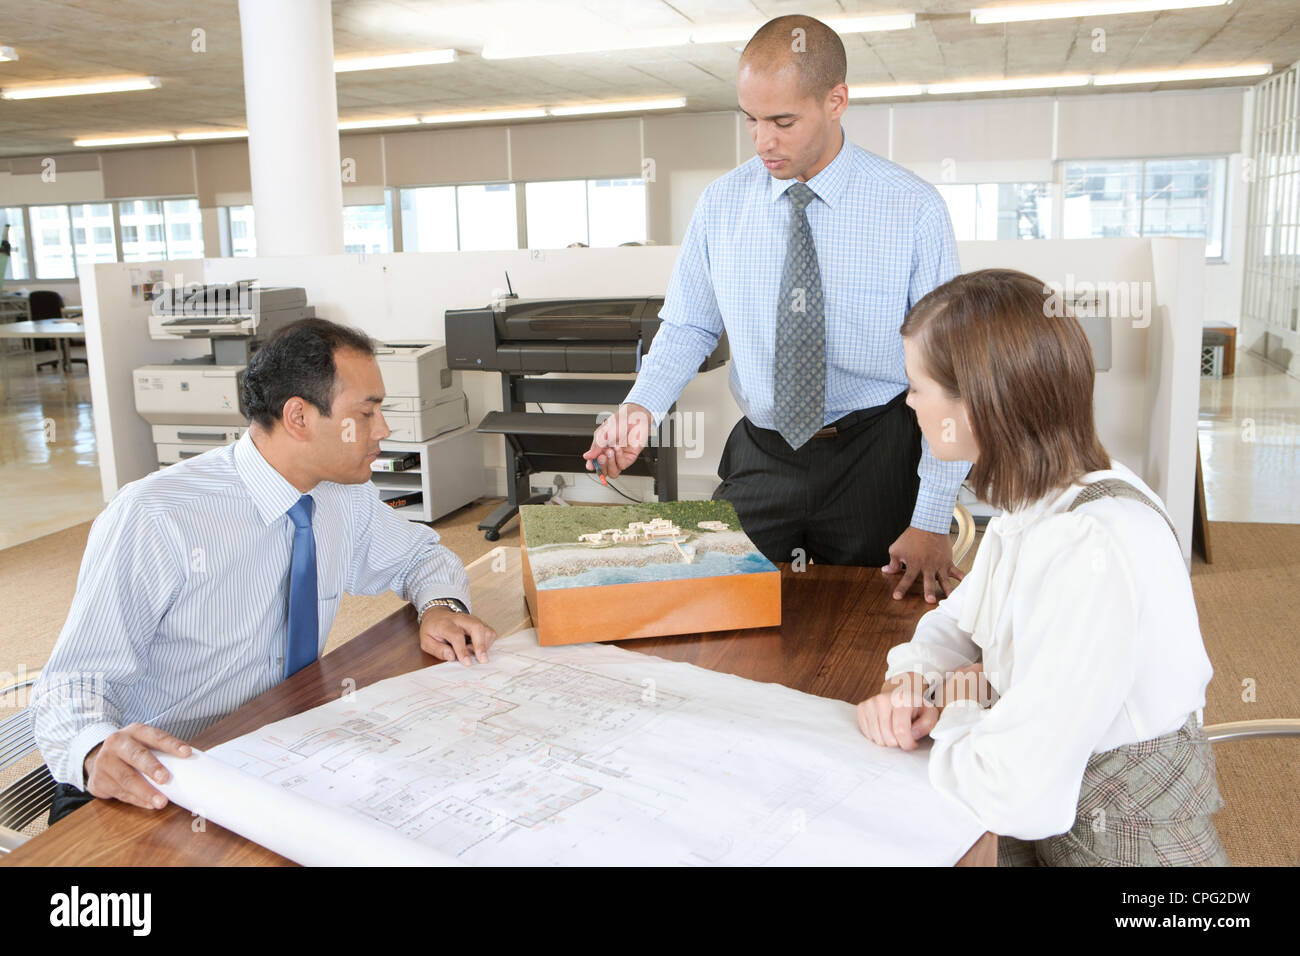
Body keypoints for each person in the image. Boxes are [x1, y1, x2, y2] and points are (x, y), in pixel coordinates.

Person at [31, 318, 497, 823]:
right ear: (298, 416)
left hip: (269, 753)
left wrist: (441, 607)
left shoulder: (341, 495)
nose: (383, 430)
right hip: (154, 779)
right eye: (366, 413)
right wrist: (92, 750)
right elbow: (72, 681)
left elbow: (422, 555)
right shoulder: (156, 516)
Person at [583, 14, 971, 603]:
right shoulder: (721, 205)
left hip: (877, 452)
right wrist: (640, 409)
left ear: (836, 101)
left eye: (783, 121)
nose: (764, 140)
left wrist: (932, 515)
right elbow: (689, 323)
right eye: (752, 120)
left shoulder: (912, 208)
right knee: (712, 608)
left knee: (873, 624)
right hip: (765, 452)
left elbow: (951, 371)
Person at [856, 268, 1229, 866]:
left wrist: (952, 708)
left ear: (975, 403)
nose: (909, 403)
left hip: (1126, 847)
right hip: (1060, 813)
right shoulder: (1040, 500)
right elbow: (952, 627)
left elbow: (1017, 792)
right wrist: (914, 683)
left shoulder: (1089, 545)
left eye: (917, 386)